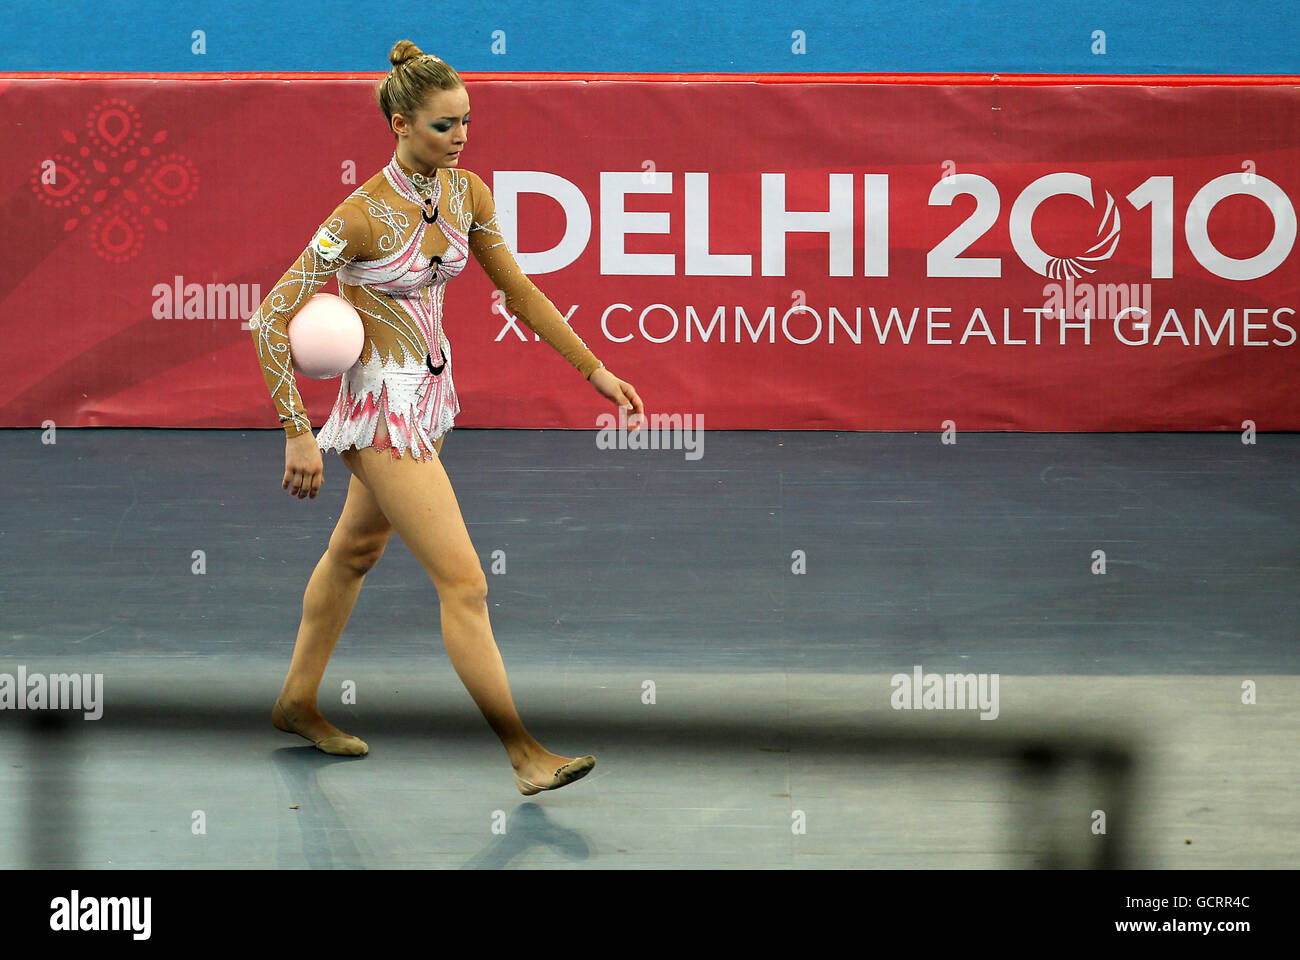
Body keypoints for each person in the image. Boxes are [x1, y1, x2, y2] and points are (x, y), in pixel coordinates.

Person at [248, 39, 643, 795]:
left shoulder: (467, 195)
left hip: (433, 402)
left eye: (466, 122)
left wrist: (595, 369)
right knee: (465, 584)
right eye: (443, 126)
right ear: (400, 123)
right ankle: (524, 754)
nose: (460, 137)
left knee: (356, 551)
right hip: (381, 413)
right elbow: (271, 319)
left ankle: (296, 701)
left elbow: (520, 291)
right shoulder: (359, 216)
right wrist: (296, 426)